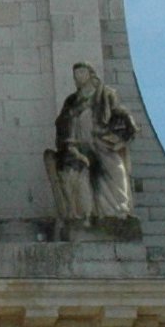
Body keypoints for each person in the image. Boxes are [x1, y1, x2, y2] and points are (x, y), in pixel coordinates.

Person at [46, 62, 138, 220]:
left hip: (102, 141)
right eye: (76, 74)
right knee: (84, 177)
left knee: (116, 170)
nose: (78, 76)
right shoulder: (72, 100)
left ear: (90, 74)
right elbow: (61, 122)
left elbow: (119, 112)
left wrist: (126, 131)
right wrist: (68, 143)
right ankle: (90, 215)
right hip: (80, 144)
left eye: (81, 72)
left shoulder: (105, 94)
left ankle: (118, 211)